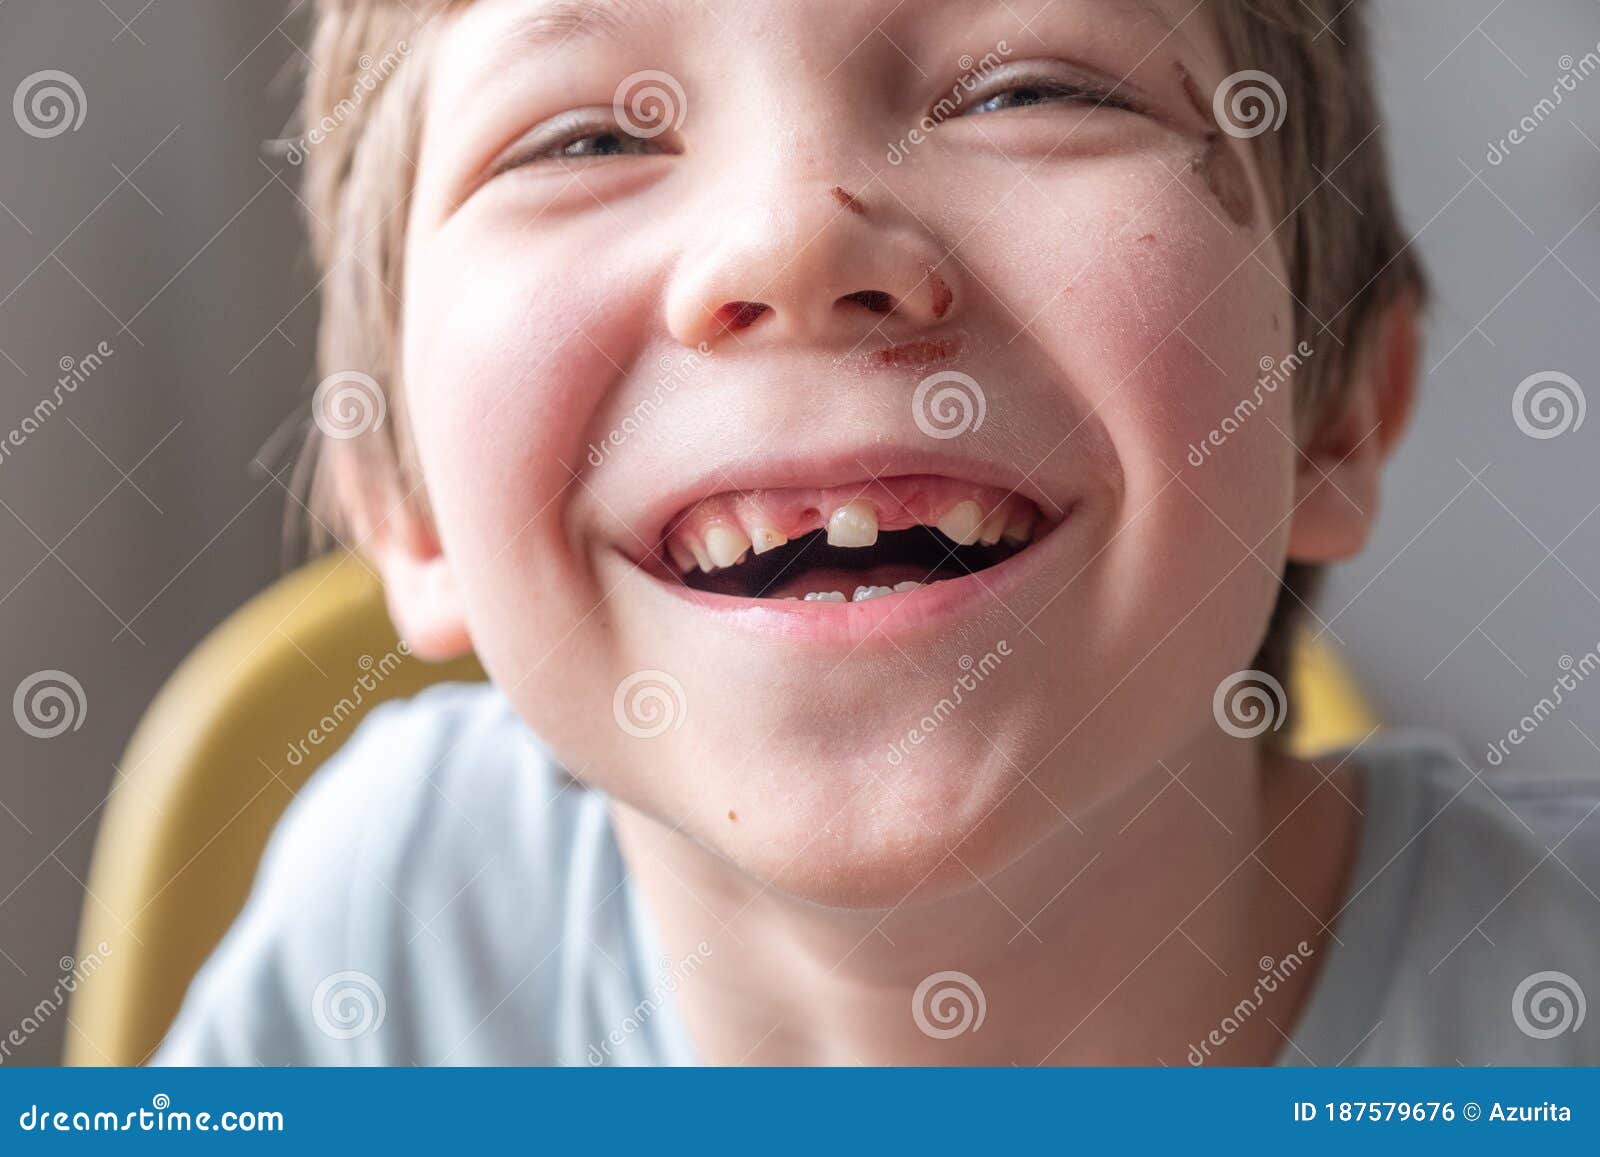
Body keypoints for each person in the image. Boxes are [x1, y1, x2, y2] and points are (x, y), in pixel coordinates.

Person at [155, 0, 1600, 1066]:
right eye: (586, 137)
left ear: (1331, 411)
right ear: (401, 499)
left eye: (1028, 90)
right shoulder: (397, 915)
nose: (797, 238)